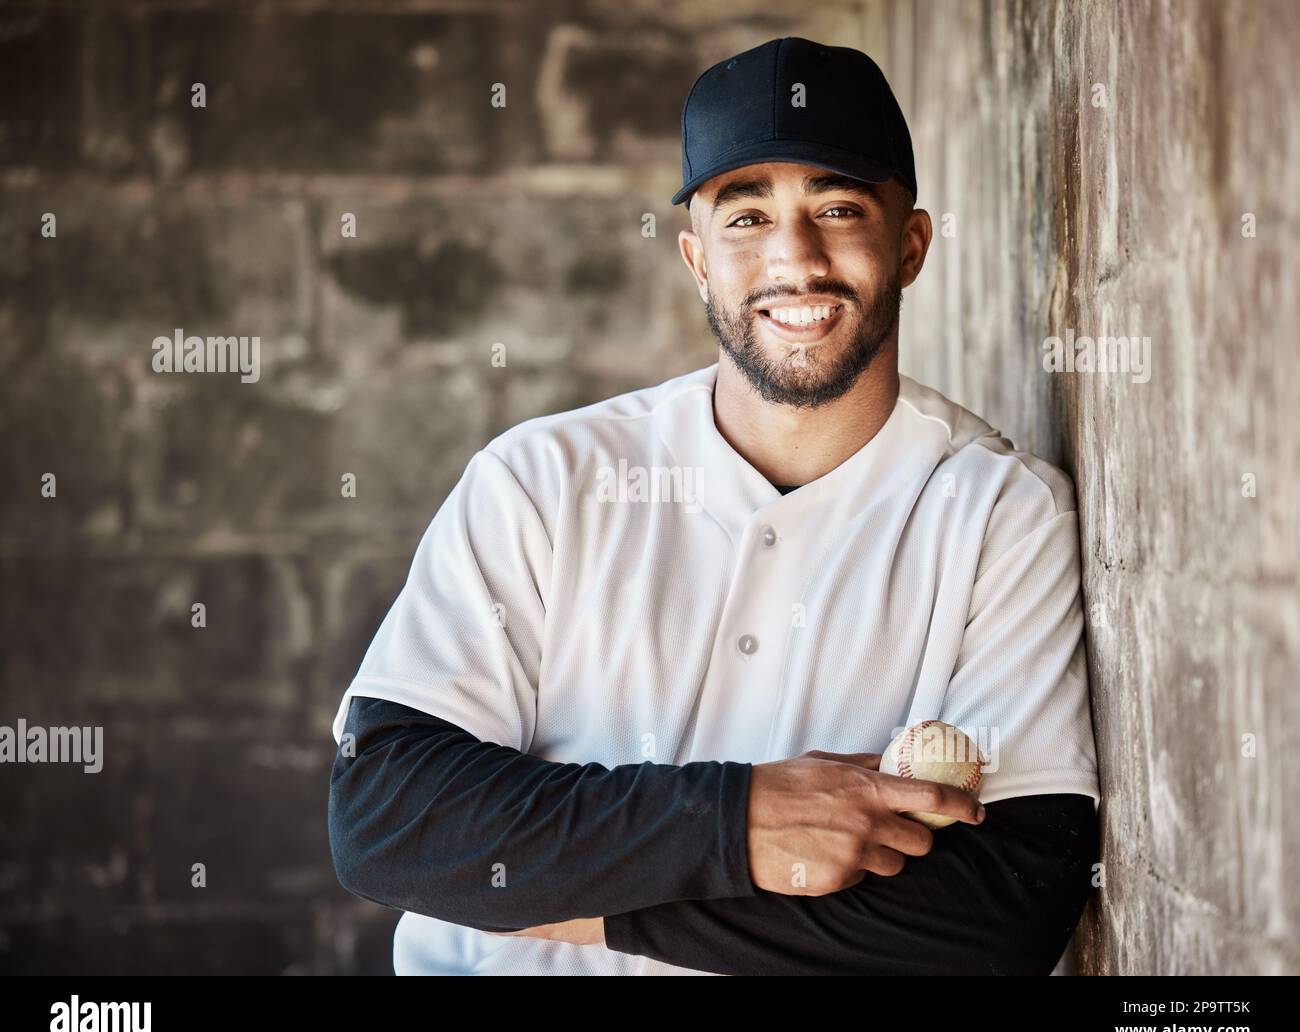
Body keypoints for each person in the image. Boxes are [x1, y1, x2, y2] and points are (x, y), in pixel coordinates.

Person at [328, 36, 1101, 975]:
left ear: (910, 246)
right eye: (746, 217)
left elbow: (995, 913)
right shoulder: (543, 479)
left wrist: (574, 903)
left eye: (839, 206)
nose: (796, 257)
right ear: (697, 260)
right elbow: (387, 815)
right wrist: (736, 823)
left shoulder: (998, 516)